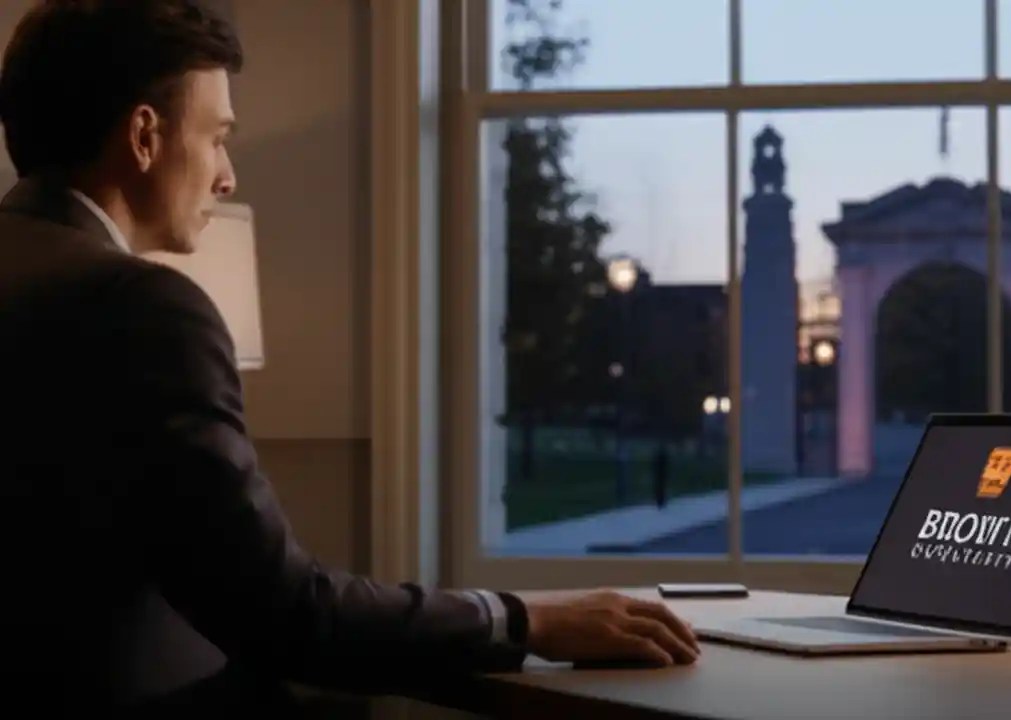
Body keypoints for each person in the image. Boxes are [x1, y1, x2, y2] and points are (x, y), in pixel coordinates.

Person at [0, 0, 698, 713]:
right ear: (145, 136)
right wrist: (528, 619)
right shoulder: (146, 308)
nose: (227, 176)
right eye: (217, 139)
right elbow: (285, 611)